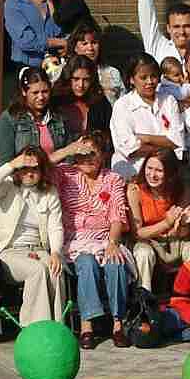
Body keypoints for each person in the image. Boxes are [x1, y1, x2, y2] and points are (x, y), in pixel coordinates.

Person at [55, 131, 134, 348]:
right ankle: (86, 324)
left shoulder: (113, 178)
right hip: (75, 241)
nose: (88, 158)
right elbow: (43, 165)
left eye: (94, 153)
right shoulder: (66, 174)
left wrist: (112, 243)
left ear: (102, 155)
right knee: (86, 262)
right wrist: (69, 150)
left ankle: (118, 323)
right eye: (84, 153)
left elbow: (118, 214)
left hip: (105, 238)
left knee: (115, 262)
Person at [0, 143, 67, 325]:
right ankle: (35, 329)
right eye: (25, 168)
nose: (29, 173)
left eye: (35, 169)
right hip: (10, 252)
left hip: (39, 249)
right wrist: (11, 165)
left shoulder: (49, 193)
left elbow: (55, 227)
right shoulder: (7, 187)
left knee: (55, 271)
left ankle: (57, 327)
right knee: (36, 270)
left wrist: (55, 253)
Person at [128, 148, 190, 290]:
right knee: (143, 253)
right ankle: (144, 298)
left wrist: (182, 223)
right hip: (148, 241)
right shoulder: (135, 190)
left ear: (170, 172)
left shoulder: (182, 189)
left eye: (159, 170)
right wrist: (167, 223)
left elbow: (184, 233)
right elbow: (137, 233)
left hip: (175, 241)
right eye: (149, 168)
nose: (152, 175)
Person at [0, 66, 67, 163]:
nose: (41, 97)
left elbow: (67, 155)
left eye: (45, 92)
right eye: (35, 93)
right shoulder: (10, 118)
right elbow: (5, 162)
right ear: (24, 92)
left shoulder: (58, 116)